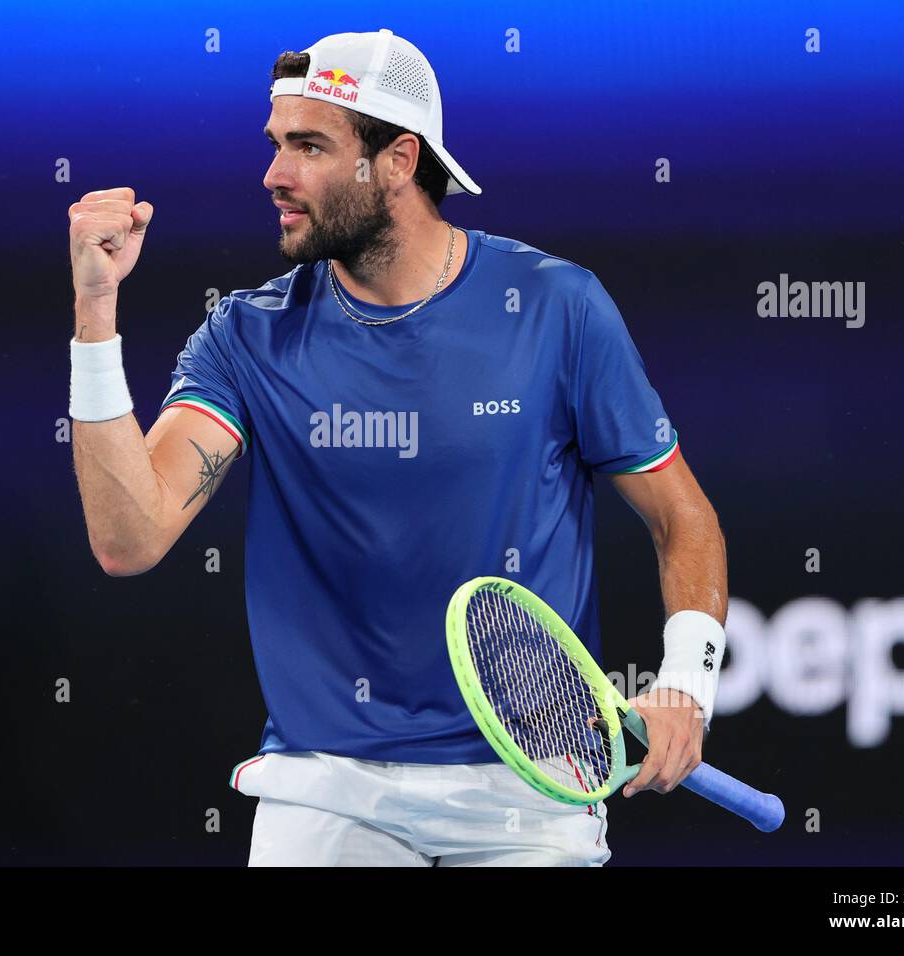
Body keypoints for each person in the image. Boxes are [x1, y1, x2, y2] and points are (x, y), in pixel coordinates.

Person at [66, 28, 727, 866]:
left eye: (309, 146)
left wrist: (686, 688)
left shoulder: (559, 308)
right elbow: (129, 540)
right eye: (276, 145)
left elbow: (684, 520)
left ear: (399, 160)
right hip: (326, 786)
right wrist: (96, 317)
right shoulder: (246, 337)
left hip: (535, 787)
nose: (274, 175)